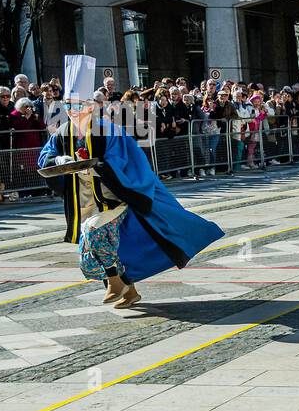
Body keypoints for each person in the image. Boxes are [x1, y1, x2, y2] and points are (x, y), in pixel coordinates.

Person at [38, 55, 224, 309]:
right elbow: (45, 157)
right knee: (100, 248)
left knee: (96, 234)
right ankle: (129, 290)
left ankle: (116, 281)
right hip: (85, 200)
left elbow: (125, 161)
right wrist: (58, 160)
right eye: (69, 104)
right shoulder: (61, 135)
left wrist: (100, 167)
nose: (73, 110)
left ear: (91, 107)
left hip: (116, 197)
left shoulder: (109, 131)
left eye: (79, 105)